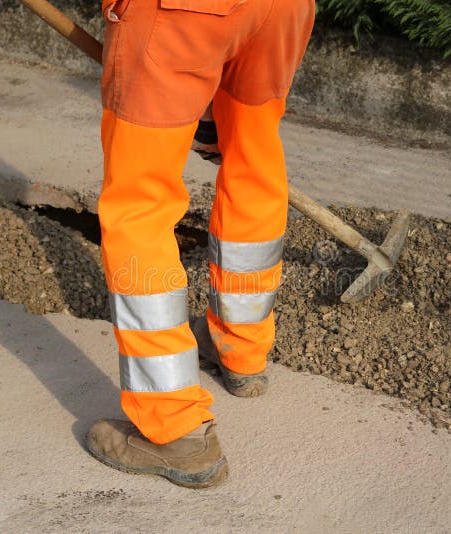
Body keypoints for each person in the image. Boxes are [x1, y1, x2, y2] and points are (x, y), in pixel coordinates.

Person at [85, 0, 315, 488]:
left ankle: (173, 428)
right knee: (254, 164)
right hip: (279, 10)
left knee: (139, 206)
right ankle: (242, 351)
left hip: (180, 11)